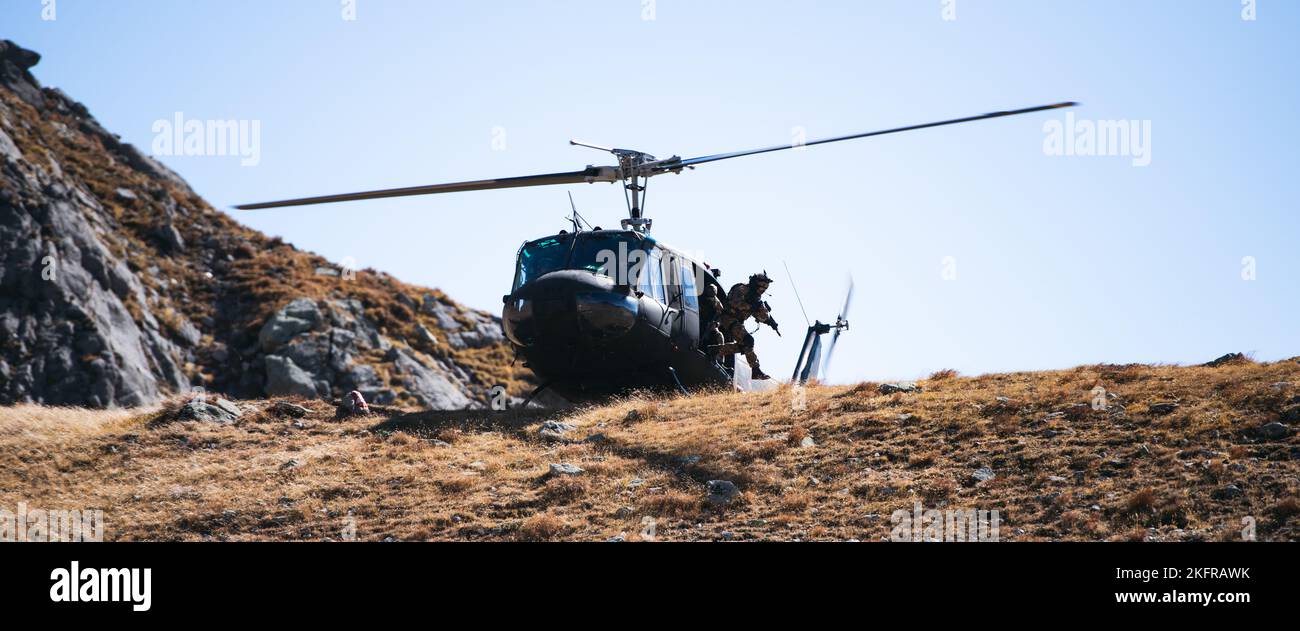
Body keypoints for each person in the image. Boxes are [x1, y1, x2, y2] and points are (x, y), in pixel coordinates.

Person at [718, 272, 779, 380]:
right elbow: (734, 303)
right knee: (748, 341)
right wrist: (752, 306)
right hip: (728, 318)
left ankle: (716, 350)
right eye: (761, 287)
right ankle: (756, 370)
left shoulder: (756, 298)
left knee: (746, 346)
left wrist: (769, 320)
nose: (762, 290)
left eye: (765, 288)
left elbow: (760, 316)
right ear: (755, 284)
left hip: (737, 322)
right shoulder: (741, 289)